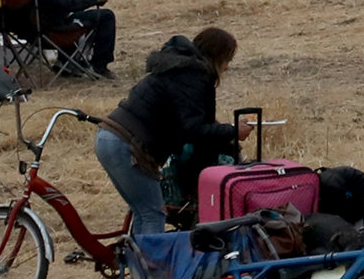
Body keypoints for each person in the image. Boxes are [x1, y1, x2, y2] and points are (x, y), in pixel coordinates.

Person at [95, 28, 250, 236]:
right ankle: (152, 258)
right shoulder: (193, 76)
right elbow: (194, 130)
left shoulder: (178, 67)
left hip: (109, 136)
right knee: (153, 213)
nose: (227, 67)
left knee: (143, 212)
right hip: (129, 145)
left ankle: (139, 255)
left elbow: (189, 121)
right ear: (217, 56)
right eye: (227, 59)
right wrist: (232, 131)